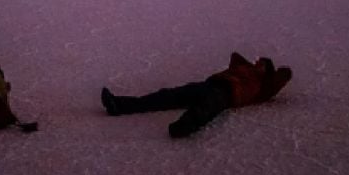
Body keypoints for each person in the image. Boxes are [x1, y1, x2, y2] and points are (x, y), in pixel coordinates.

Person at [100, 52, 292, 138]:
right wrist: (251, 65)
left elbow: (285, 75)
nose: (257, 64)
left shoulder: (264, 85)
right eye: (257, 62)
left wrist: (268, 71)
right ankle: (119, 105)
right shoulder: (243, 68)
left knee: (205, 108)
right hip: (209, 84)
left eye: (261, 64)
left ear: (267, 71)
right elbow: (235, 56)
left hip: (228, 93)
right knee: (166, 95)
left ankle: (183, 127)